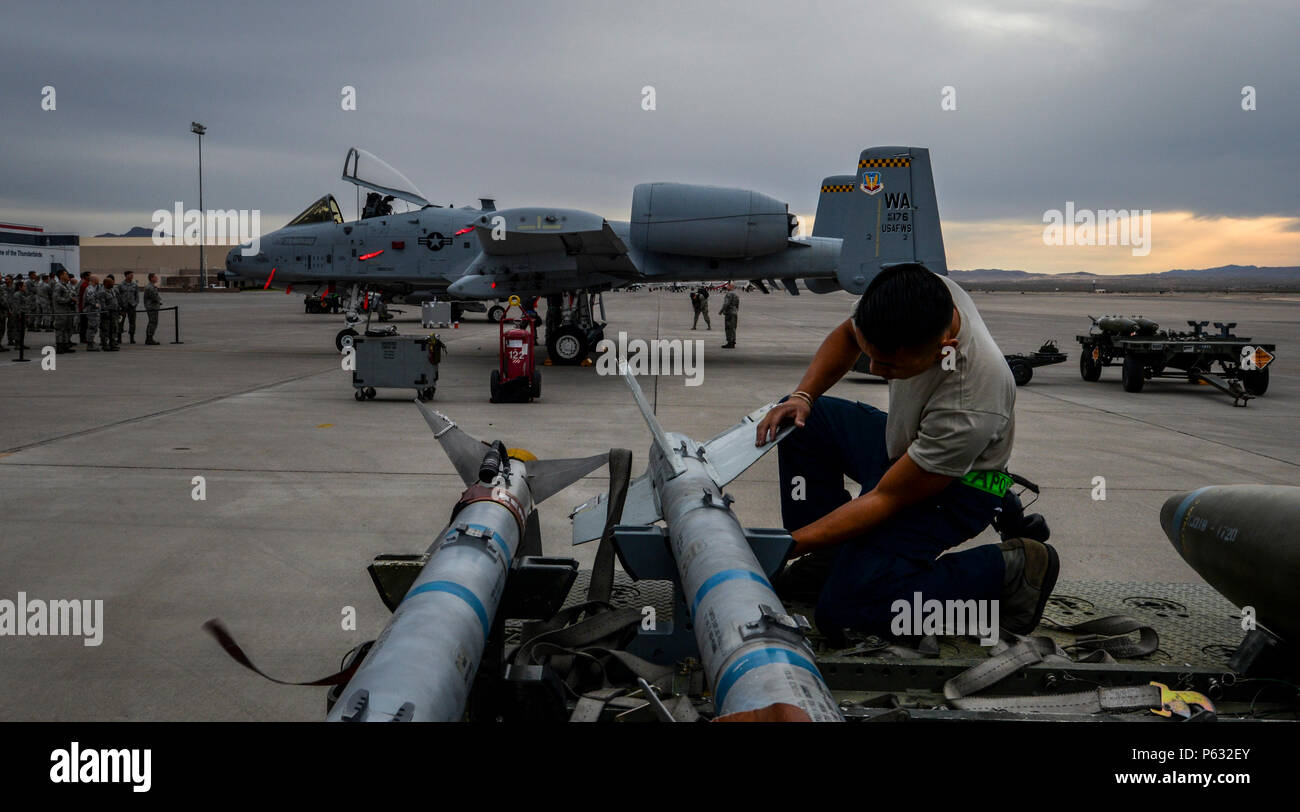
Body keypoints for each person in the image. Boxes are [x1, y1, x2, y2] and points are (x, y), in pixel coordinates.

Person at [754, 263, 1058, 643]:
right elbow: (850, 334)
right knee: (801, 420)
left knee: (847, 613)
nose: (878, 371)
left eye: (889, 364)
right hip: (905, 447)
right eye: (871, 356)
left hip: (957, 487)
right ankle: (833, 555)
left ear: (943, 348)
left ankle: (1012, 569)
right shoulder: (919, 296)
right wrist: (803, 396)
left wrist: (788, 545)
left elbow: (887, 497)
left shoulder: (973, 397)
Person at [52, 269, 76, 353]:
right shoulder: (58, 286)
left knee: (67, 328)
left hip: (68, 310)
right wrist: (69, 299)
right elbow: (57, 298)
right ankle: (59, 346)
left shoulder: (67, 285)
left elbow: (72, 294)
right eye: (66, 274)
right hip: (60, 311)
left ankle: (66, 345)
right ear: (61, 276)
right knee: (60, 329)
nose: (67, 276)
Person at [117, 270, 140, 343]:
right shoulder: (121, 285)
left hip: (131, 306)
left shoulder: (135, 285)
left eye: (132, 275)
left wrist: (135, 303)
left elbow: (137, 295)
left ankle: (132, 338)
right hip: (123, 306)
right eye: (130, 275)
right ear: (126, 276)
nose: (132, 276)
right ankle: (119, 338)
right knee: (120, 322)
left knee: (132, 322)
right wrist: (119, 305)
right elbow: (118, 295)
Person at [99, 275, 120, 351]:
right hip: (107, 314)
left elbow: (115, 301)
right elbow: (102, 304)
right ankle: (105, 345)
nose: (113, 284)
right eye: (111, 283)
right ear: (106, 283)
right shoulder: (102, 292)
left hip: (114, 313)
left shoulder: (112, 290)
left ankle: (113, 344)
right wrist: (106, 313)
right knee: (105, 330)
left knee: (114, 329)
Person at [83, 274, 102, 351]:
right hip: (92, 311)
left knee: (94, 327)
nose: (99, 280)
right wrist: (96, 304)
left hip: (95, 311)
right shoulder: (90, 289)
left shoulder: (96, 288)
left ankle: (91, 342)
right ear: (94, 280)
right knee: (92, 327)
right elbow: (90, 299)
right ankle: (90, 345)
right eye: (97, 279)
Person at [144, 273, 163, 345]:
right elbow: (154, 297)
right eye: (155, 277)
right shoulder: (150, 287)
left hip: (153, 306)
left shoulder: (152, 286)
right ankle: (149, 338)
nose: (157, 278)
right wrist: (159, 301)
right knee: (153, 322)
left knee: (153, 322)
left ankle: (149, 338)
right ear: (151, 278)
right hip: (152, 307)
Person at [719, 283, 739, 348]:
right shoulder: (736, 294)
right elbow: (737, 304)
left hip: (729, 313)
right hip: (735, 312)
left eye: (728, 285)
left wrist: (721, 311)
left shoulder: (729, 294)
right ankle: (733, 342)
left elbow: (726, 303)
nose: (727, 286)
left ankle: (729, 342)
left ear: (731, 287)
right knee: (733, 328)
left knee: (728, 328)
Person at [77, 271, 91, 343]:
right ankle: (83, 338)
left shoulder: (86, 284)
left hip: (84, 307)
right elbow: (82, 297)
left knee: (85, 323)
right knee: (84, 324)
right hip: (83, 307)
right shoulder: (83, 284)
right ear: (86, 276)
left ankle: (84, 338)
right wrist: (82, 308)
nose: (90, 276)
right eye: (89, 275)